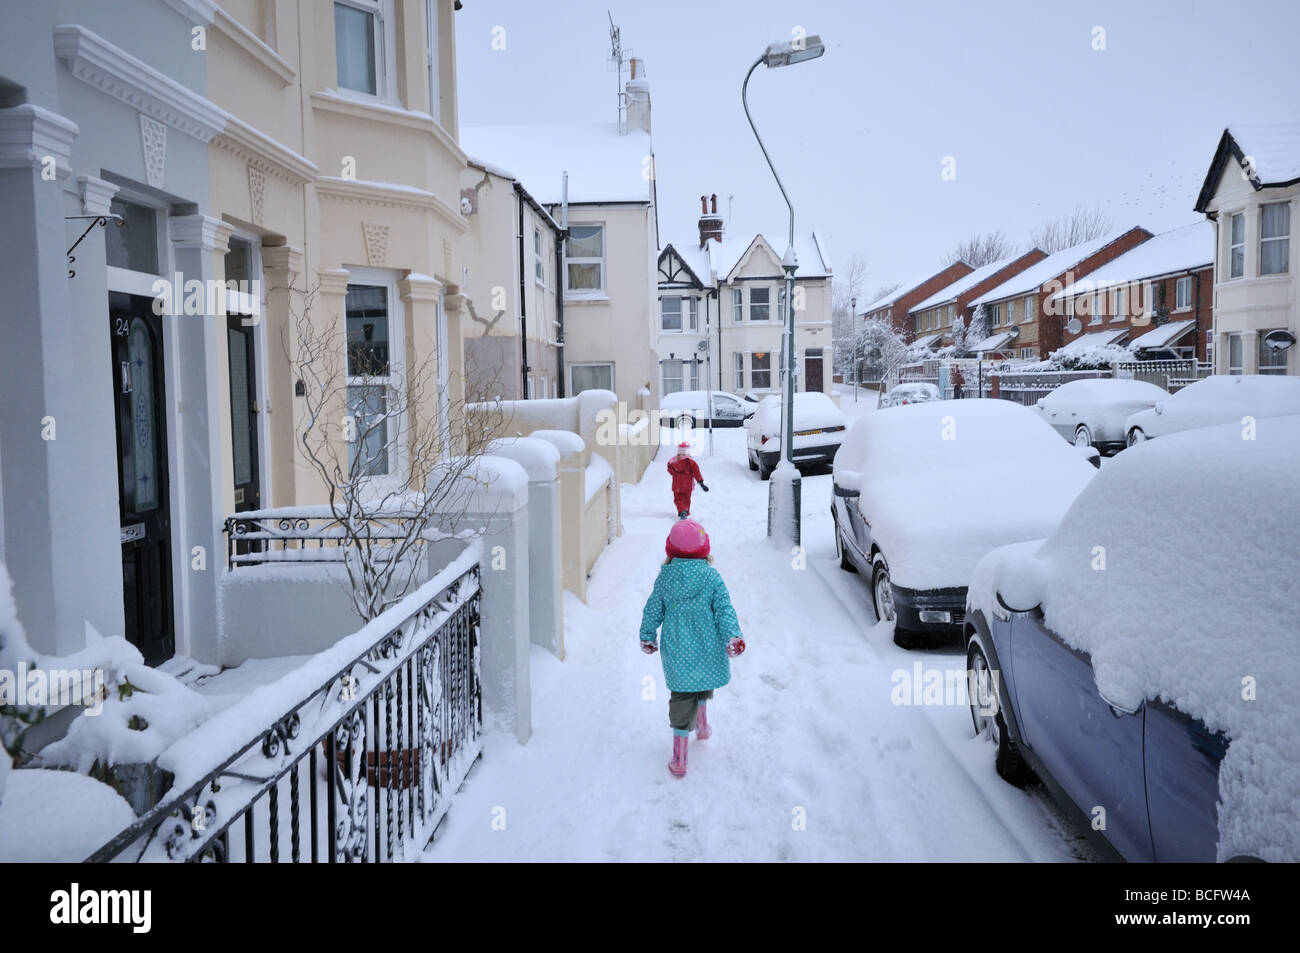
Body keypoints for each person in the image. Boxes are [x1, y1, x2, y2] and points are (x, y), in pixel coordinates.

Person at [639, 520, 745, 778]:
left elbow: (653, 609)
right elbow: (724, 609)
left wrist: (647, 635)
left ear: (671, 551)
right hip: (707, 645)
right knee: (700, 685)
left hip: (677, 649)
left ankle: (681, 756)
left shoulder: (665, 578)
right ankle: (701, 727)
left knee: (682, 695)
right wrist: (732, 635)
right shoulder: (711, 577)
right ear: (703, 550)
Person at [666, 442, 708, 518]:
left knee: (678, 499)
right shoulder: (691, 462)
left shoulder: (673, 461)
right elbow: (696, 472)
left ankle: (682, 511)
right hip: (687, 486)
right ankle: (685, 510)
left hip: (677, 485)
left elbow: (669, 469)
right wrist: (701, 482)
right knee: (687, 499)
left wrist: (675, 474)